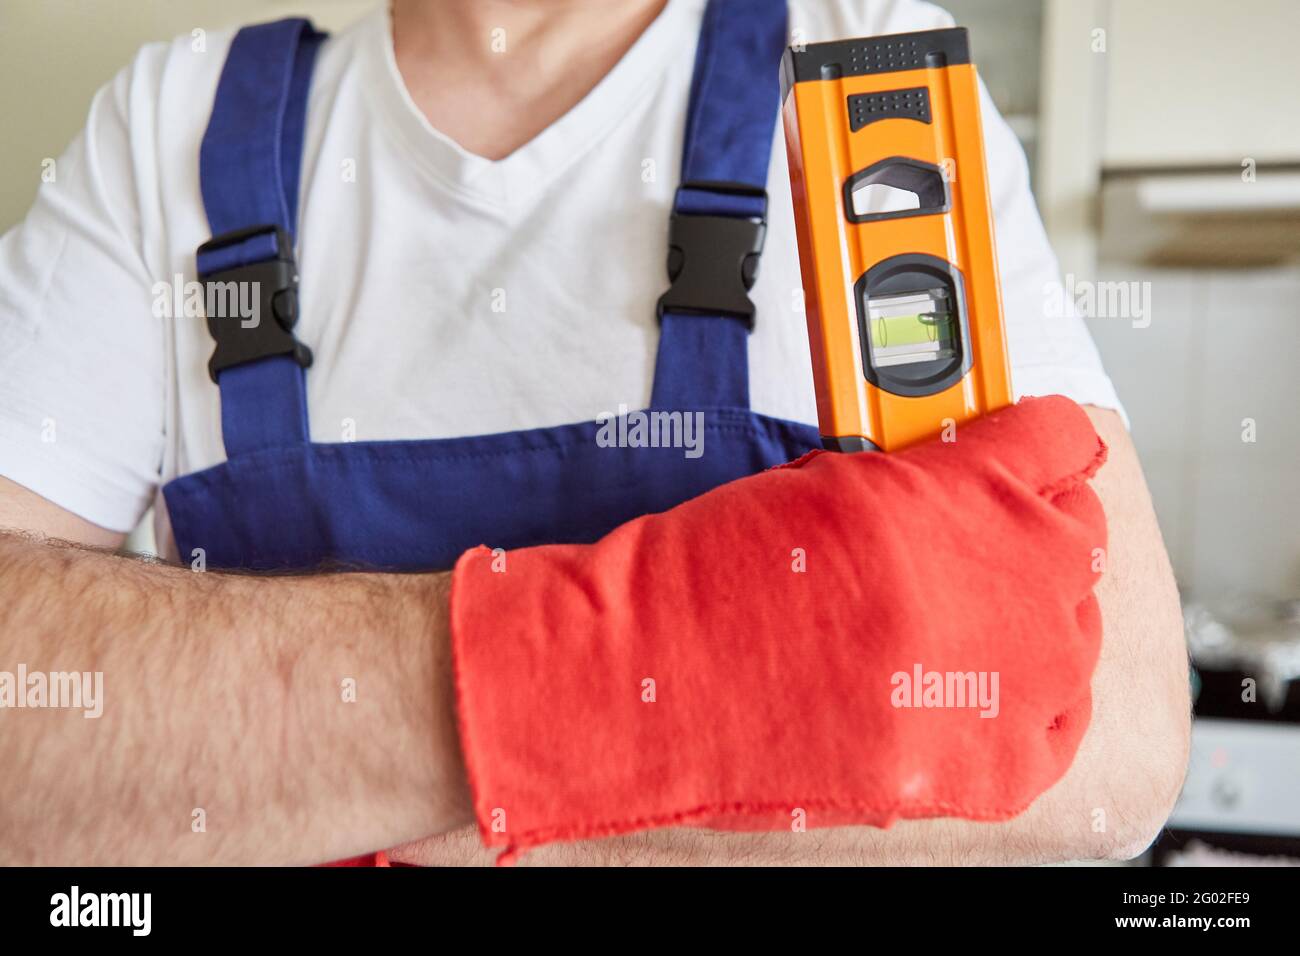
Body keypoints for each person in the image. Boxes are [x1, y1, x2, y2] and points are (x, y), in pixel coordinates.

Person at [0, 0, 1188, 866]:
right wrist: (690, 686)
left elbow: (1107, 741)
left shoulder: (861, 83)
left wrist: (364, 775)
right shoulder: (178, 128)